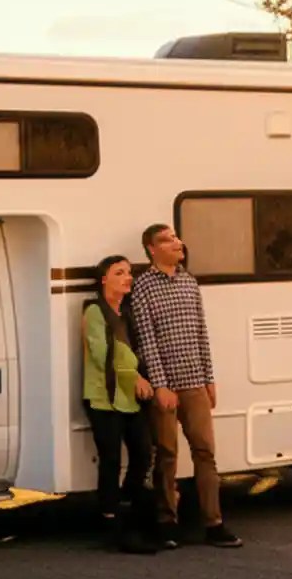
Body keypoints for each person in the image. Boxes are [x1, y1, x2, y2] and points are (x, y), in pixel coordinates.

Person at [130, 224, 243, 549]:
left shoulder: (190, 283)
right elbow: (146, 340)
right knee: (166, 455)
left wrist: (209, 378)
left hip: (195, 383)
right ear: (152, 249)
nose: (178, 243)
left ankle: (214, 522)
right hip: (165, 387)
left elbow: (201, 333)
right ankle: (167, 521)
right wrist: (161, 385)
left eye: (177, 237)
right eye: (168, 240)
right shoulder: (143, 287)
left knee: (205, 453)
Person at [81, 254, 156, 554]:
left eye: (129, 273)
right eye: (119, 272)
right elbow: (103, 355)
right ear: (103, 280)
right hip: (103, 398)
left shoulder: (128, 312)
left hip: (131, 399)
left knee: (142, 454)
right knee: (110, 460)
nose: (127, 277)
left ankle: (128, 507)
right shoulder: (94, 312)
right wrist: (135, 376)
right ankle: (110, 521)